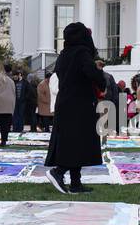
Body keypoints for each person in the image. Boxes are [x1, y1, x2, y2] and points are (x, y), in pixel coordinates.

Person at [45, 22, 105, 194]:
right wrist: (99, 74)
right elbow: (90, 73)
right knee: (78, 141)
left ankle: (76, 183)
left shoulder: (64, 54)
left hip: (66, 102)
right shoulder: (82, 52)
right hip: (79, 103)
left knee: (71, 141)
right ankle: (59, 171)